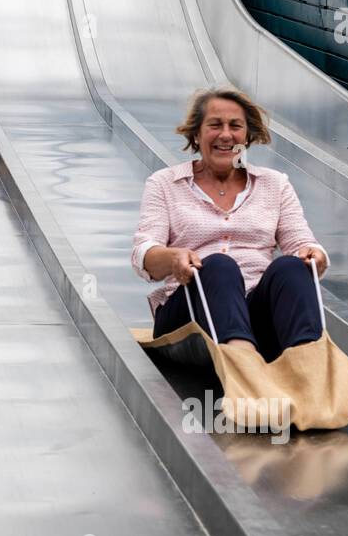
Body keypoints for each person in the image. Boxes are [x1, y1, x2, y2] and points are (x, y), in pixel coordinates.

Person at [131, 88, 329, 363]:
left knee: (291, 266)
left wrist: (314, 255)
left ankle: (308, 361)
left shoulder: (275, 184)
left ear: (247, 135)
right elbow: (144, 253)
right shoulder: (164, 184)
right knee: (219, 265)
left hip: (258, 316)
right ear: (196, 134)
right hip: (190, 316)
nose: (226, 135)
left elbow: (301, 243)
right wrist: (173, 258)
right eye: (215, 125)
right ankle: (242, 362)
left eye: (235, 126)